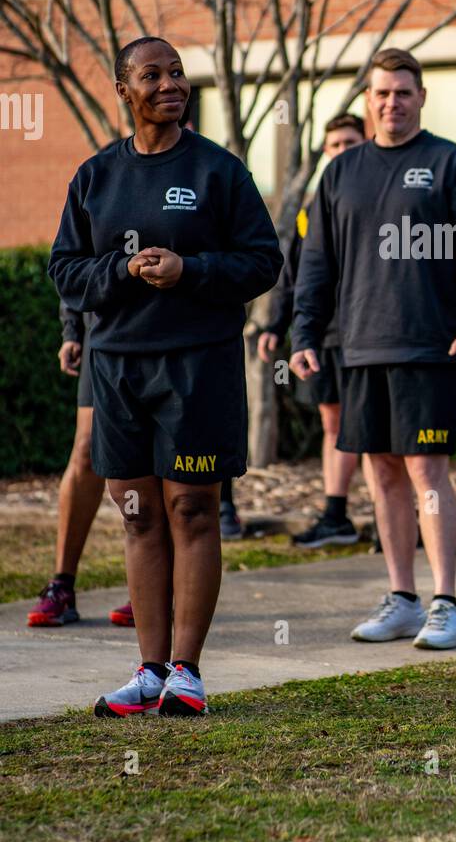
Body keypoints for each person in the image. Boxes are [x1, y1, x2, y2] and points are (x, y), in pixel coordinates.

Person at [48, 36, 282, 717]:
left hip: (197, 365)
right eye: (152, 75)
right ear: (124, 91)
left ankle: (187, 671)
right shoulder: (95, 177)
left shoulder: (218, 171)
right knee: (139, 513)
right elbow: (65, 272)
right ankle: (147, 671)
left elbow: (262, 261)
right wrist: (120, 271)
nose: (169, 83)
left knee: (191, 509)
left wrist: (191, 270)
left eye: (176, 72)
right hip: (117, 367)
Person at [290, 49, 456, 649]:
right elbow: (316, 266)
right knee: (380, 473)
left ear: (420, 97)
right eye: (382, 93)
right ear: (367, 100)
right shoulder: (340, 172)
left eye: (403, 93)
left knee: (427, 471)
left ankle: (446, 603)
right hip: (359, 347)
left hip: (430, 347)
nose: (392, 103)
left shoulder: (451, 165)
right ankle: (403, 597)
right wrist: (305, 335)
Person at [257, 113, 378, 548]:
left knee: (373, 428)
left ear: (366, 141)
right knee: (335, 424)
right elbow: (297, 271)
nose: (342, 151)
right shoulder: (314, 208)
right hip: (325, 333)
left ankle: (388, 517)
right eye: (335, 145)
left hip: (370, 331)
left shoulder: (378, 194)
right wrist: (276, 323)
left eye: (350, 142)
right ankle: (335, 515)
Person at [27, 303, 133, 628]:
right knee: (86, 448)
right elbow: (74, 254)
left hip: (166, 329)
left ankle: (153, 589)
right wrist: (72, 328)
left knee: (148, 456)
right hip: (103, 328)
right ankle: (61, 585)